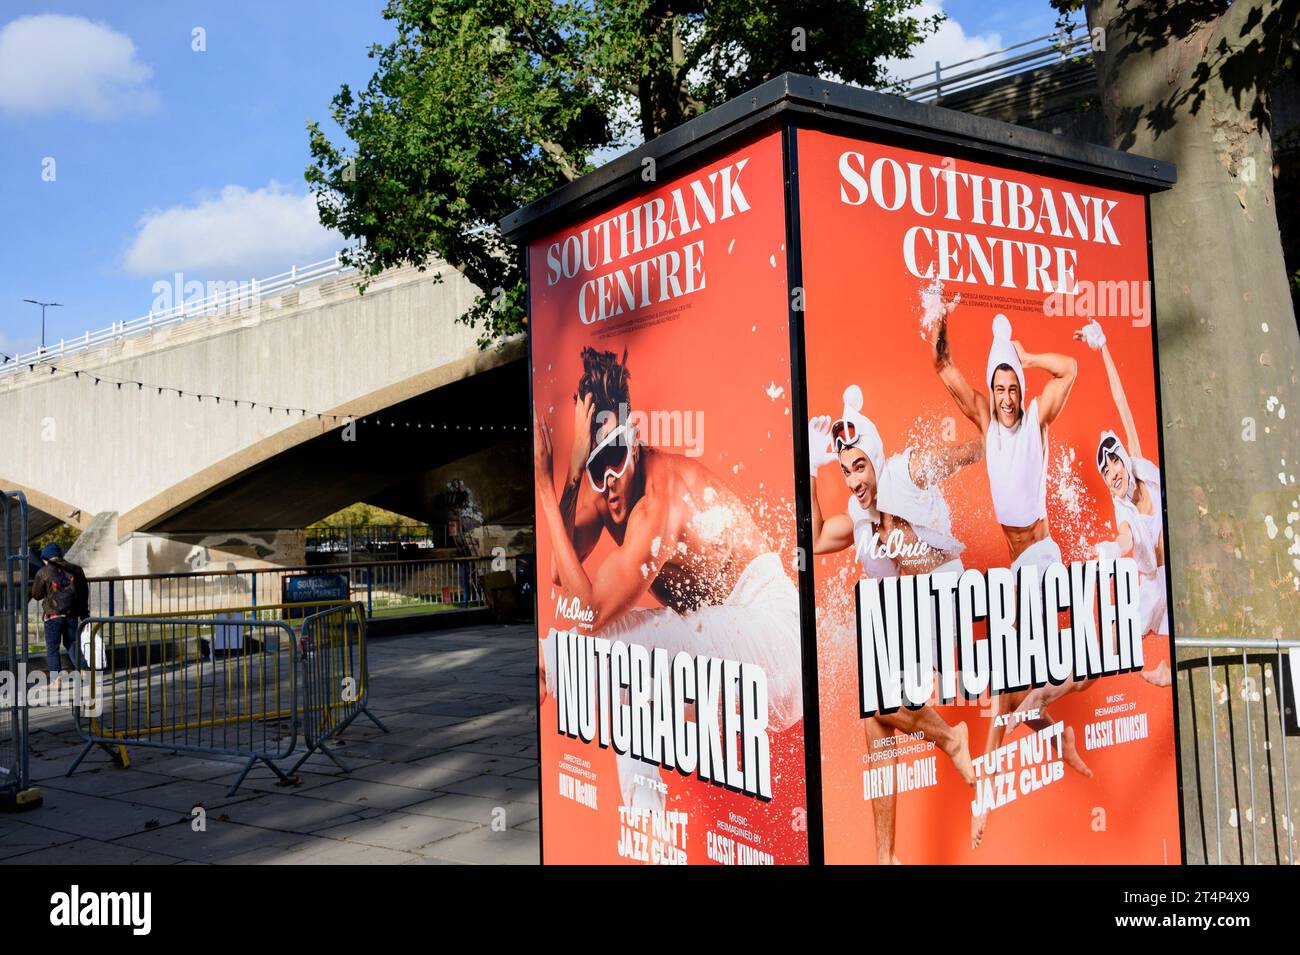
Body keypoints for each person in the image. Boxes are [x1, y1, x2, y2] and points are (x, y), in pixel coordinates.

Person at [534, 346, 803, 814]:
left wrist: (543, 487)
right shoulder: (603, 488)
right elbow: (561, 570)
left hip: (774, 641)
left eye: (616, 456)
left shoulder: (661, 501)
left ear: (634, 441)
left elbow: (591, 613)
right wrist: (573, 473)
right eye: (598, 467)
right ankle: (650, 828)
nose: (611, 480)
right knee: (628, 681)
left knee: (623, 643)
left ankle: (547, 666)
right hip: (716, 640)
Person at [924, 301, 1093, 849]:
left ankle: (1005, 763)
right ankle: (1047, 738)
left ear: (1020, 388)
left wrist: (1026, 354)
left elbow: (1070, 367)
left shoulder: (1036, 421)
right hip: (1020, 566)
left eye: (1012, 387)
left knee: (1039, 678)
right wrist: (941, 323)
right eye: (998, 389)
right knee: (1007, 686)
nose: (1005, 398)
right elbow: (944, 368)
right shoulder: (985, 422)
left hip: (1043, 558)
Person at [808, 384, 980, 863]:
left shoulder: (905, 473)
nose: (853, 480)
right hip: (906, 614)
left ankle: (950, 737)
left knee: (877, 703)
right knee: (874, 723)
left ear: (877, 459)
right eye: (845, 471)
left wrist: (986, 440)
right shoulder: (859, 519)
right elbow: (817, 538)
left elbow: (962, 454)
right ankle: (886, 857)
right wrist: (809, 469)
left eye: (859, 467)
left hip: (943, 593)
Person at [30, 542, 90, 686]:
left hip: (53, 616)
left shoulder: (44, 572)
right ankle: (84, 671)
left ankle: (56, 680)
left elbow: (36, 595)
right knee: (72, 643)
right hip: (72, 614)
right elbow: (83, 593)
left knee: (52, 648)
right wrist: (84, 614)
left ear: (46, 558)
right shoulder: (76, 570)